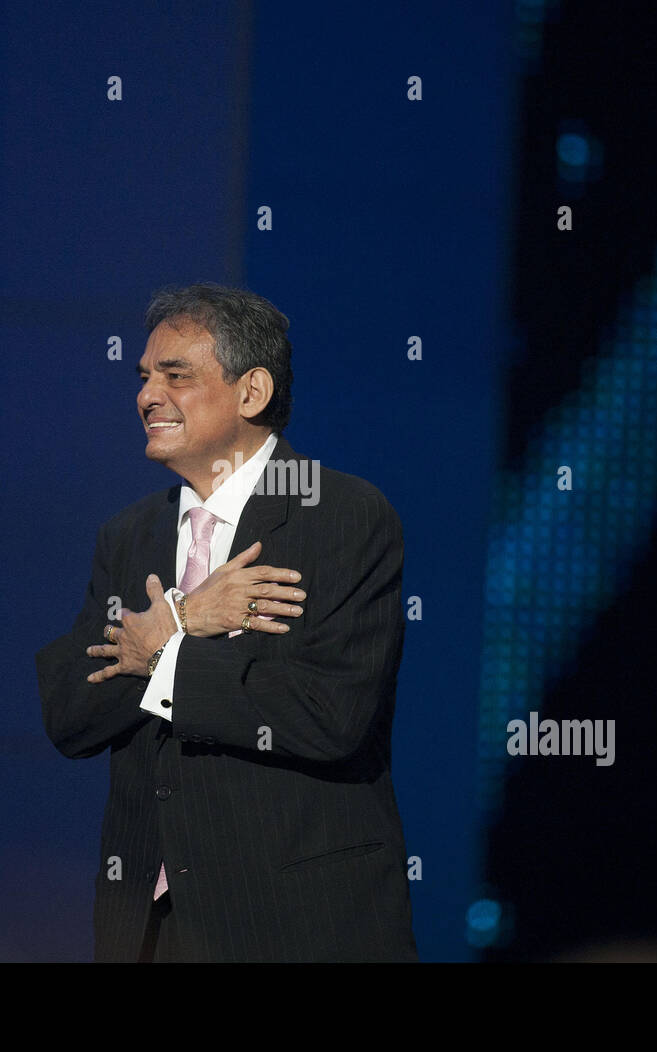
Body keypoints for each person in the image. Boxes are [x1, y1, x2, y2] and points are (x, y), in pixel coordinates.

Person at [35, 282, 416, 962]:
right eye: (145, 377)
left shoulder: (342, 515)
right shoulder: (129, 536)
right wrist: (186, 616)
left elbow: (329, 713)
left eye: (175, 376)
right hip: (148, 933)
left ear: (252, 393)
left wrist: (164, 652)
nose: (147, 396)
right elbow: (70, 708)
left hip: (293, 926)